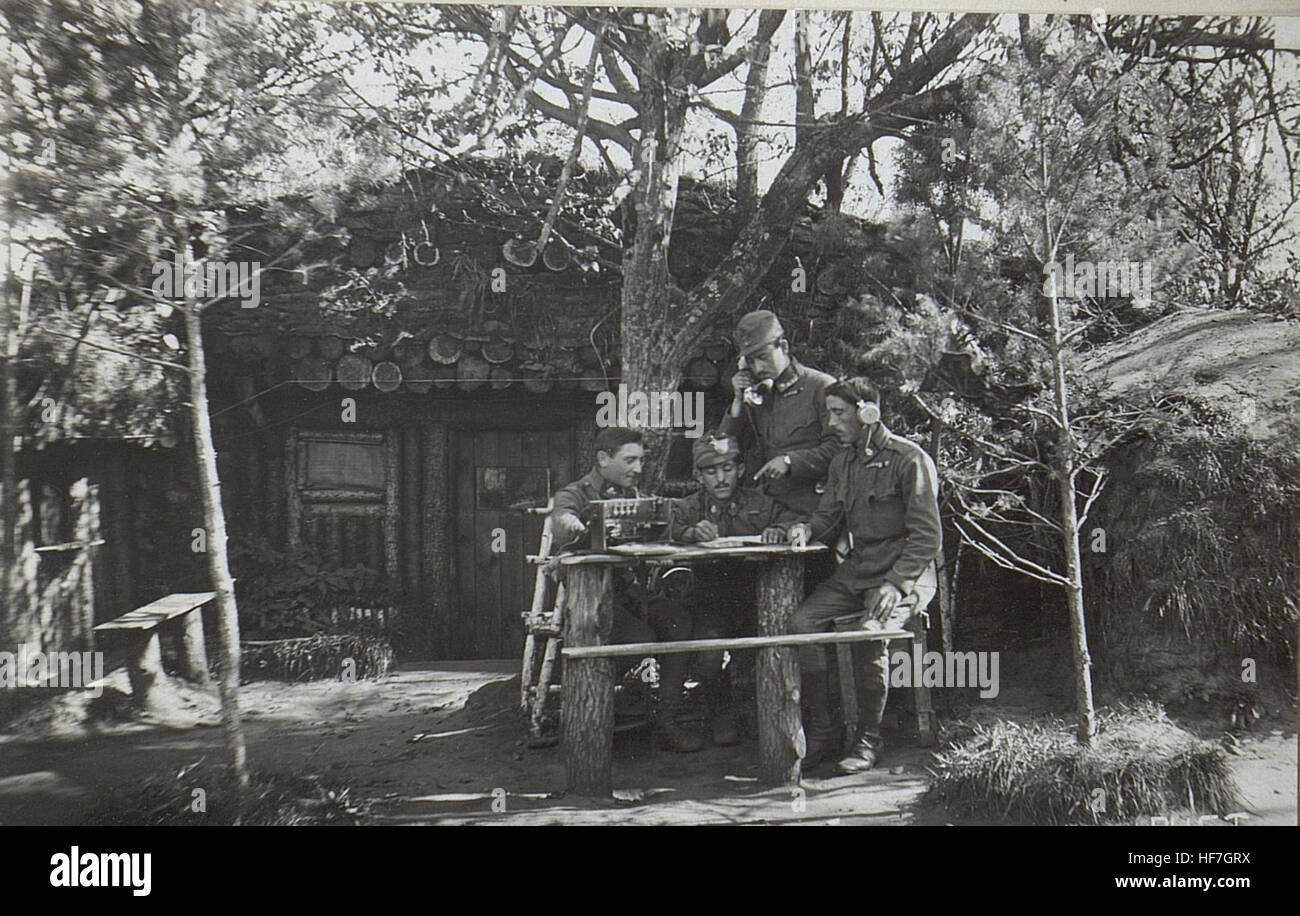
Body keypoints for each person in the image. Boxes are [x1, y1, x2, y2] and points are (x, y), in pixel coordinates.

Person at [786, 378, 942, 773]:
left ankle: (868, 740)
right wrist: (806, 528)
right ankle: (823, 730)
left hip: (904, 573)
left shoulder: (910, 460)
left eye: (839, 413)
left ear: (867, 412)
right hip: (858, 571)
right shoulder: (843, 462)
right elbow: (828, 515)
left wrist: (897, 583)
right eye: (829, 414)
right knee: (802, 623)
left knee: (868, 633)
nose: (831, 423)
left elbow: (927, 536)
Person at [551, 426, 703, 753]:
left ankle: (667, 719)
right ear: (603, 459)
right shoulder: (574, 493)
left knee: (678, 622)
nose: (638, 468)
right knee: (639, 640)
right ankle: (587, 704)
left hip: (631, 592)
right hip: (591, 601)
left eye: (641, 461)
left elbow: (665, 524)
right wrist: (577, 526)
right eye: (630, 460)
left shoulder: (632, 496)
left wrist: (691, 533)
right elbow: (562, 520)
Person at [668, 432, 799, 745]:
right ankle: (720, 709)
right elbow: (663, 527)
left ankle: (757, 714)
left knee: (768, 655)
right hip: (709, 601)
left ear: (740, 470)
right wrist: (688, 533)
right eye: (711, 472)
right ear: (699, 476)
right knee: (710, 659)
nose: (721, 478)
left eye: (727, 468)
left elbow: (793, 519)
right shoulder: (689, 508)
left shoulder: (761, 503)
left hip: (758, 598)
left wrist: (778, 530)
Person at [719, 310, 839, 517]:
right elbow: (723, 449)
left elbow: (840, 448)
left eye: (763, 358)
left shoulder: (820, 387)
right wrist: (738, 400)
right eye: (751, 361)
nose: (758, 367)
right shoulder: (757, 395)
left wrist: (791, 461)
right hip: (764, 509)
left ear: (783, 347)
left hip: (810, 508)